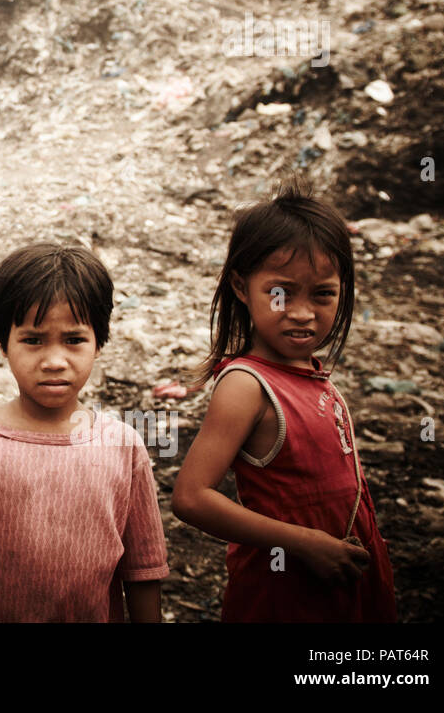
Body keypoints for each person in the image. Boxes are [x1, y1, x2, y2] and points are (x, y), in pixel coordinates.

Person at [171, 178, 396, 621]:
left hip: (341, 578)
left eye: (323, 293)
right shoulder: (247, 385)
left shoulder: (312, 375)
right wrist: (304, 543)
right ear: (241, 287)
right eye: (280, 292)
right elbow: (191, 497)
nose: (301, 312)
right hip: (284, 591)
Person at [0, 243, 168, 622]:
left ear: (99, 343)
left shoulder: (122, 446)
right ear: (2, 344)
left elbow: (143, 570)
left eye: (74, 340)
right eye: (32, 340)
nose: (53, 361)